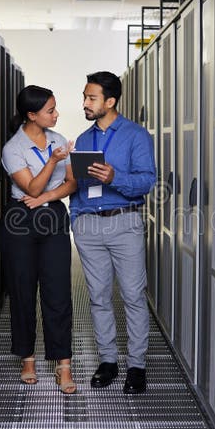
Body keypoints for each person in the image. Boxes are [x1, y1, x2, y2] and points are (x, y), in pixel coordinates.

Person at [69, 71, 156, 394]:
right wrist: (76, 218)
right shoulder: (83, 139)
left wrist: (114, 177)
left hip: (124, 223)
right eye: (84, 97)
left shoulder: (136, 135)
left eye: (91, 98)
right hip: (88, 226)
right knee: (98, 298)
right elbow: (78, 185)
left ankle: (137, 366)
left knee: (133, 296)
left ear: (110, 101)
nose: (85, 104)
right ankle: (108, 361)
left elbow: (147, 181)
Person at [0, 85, 77, 394]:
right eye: (50, 111)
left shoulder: (58, 140)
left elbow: (71, 183)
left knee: (58, 291)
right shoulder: (12, 147)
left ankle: (63, 364)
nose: (56, 115)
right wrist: (52, 163)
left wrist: (48, 195)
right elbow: (29, 190)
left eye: (55, 109)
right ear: (31, 115)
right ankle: (27, 359)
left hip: (54, 215)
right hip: (20, 219)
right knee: (22, 290)